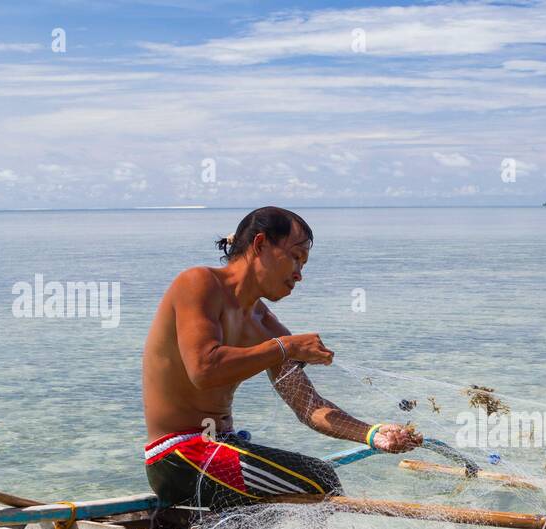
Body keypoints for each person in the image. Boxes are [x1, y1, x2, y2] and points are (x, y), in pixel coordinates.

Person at [142, 206, 420, 508]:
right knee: (319, 480)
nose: (299, 275)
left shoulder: (266, 326)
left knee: (312, 482)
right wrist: (286, 347)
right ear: (260, 244)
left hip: (224, 449)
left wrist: (372, 433)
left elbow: (309, 406)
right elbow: (204, 369)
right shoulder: (198, 283)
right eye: (295, 258)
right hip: (179, 456)